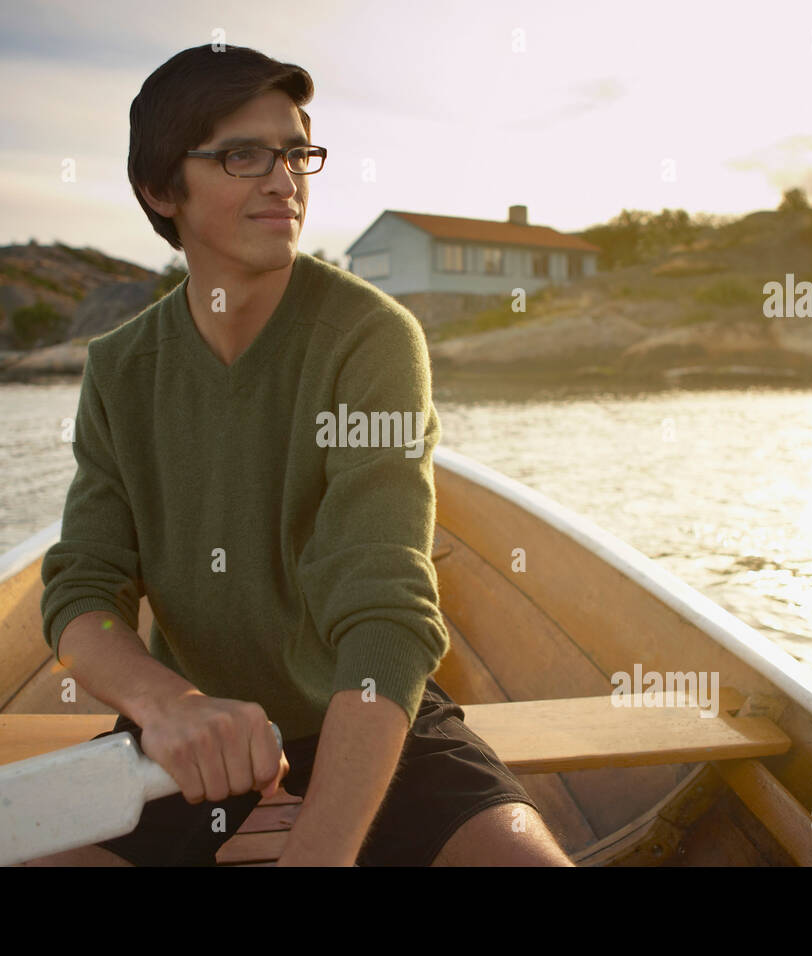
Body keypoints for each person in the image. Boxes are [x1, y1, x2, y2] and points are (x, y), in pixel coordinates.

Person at [29, 43, 573, 867]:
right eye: (242, 155)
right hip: (193, 734)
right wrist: (168, 705)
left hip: (370, 711)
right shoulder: (119, 370)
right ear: (158, 188)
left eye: (294, 153)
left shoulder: (370, 339)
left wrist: (322, 848)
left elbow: (386, 611)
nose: (284, 180)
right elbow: (81, 591)